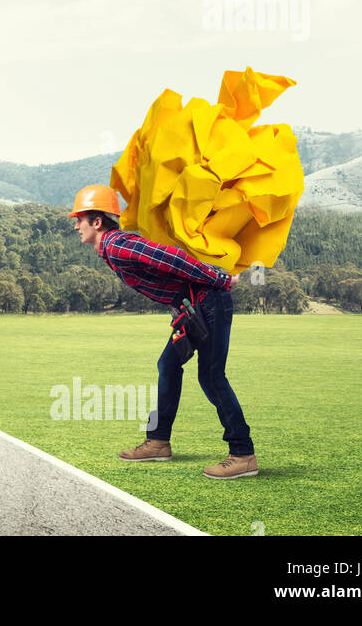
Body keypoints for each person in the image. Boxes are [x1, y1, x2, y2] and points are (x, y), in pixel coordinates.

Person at [67, 184, 258, 479]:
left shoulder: (117, 245)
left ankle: (243, 453)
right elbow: (165, 276)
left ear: (97, 222)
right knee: (168, 364)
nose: (76, 225)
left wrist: (220, 278)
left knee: (211, 376)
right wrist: (178, 309)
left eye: (80, 219)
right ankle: (158, 442)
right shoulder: (110, 249)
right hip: (194, 307)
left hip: (209, 301)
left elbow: (171, 258)